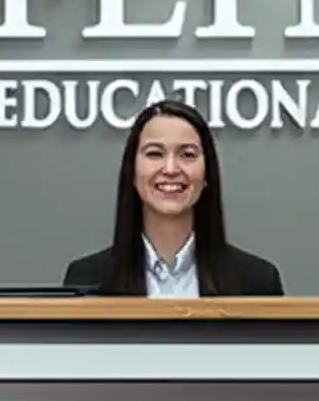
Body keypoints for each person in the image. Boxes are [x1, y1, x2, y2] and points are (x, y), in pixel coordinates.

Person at [63, 100, 285, 297]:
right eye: (154, 154)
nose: (170, 169)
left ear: (207, 173)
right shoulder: (88, 279)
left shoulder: (257, 281)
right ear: (132, 171)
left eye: (187, 154)